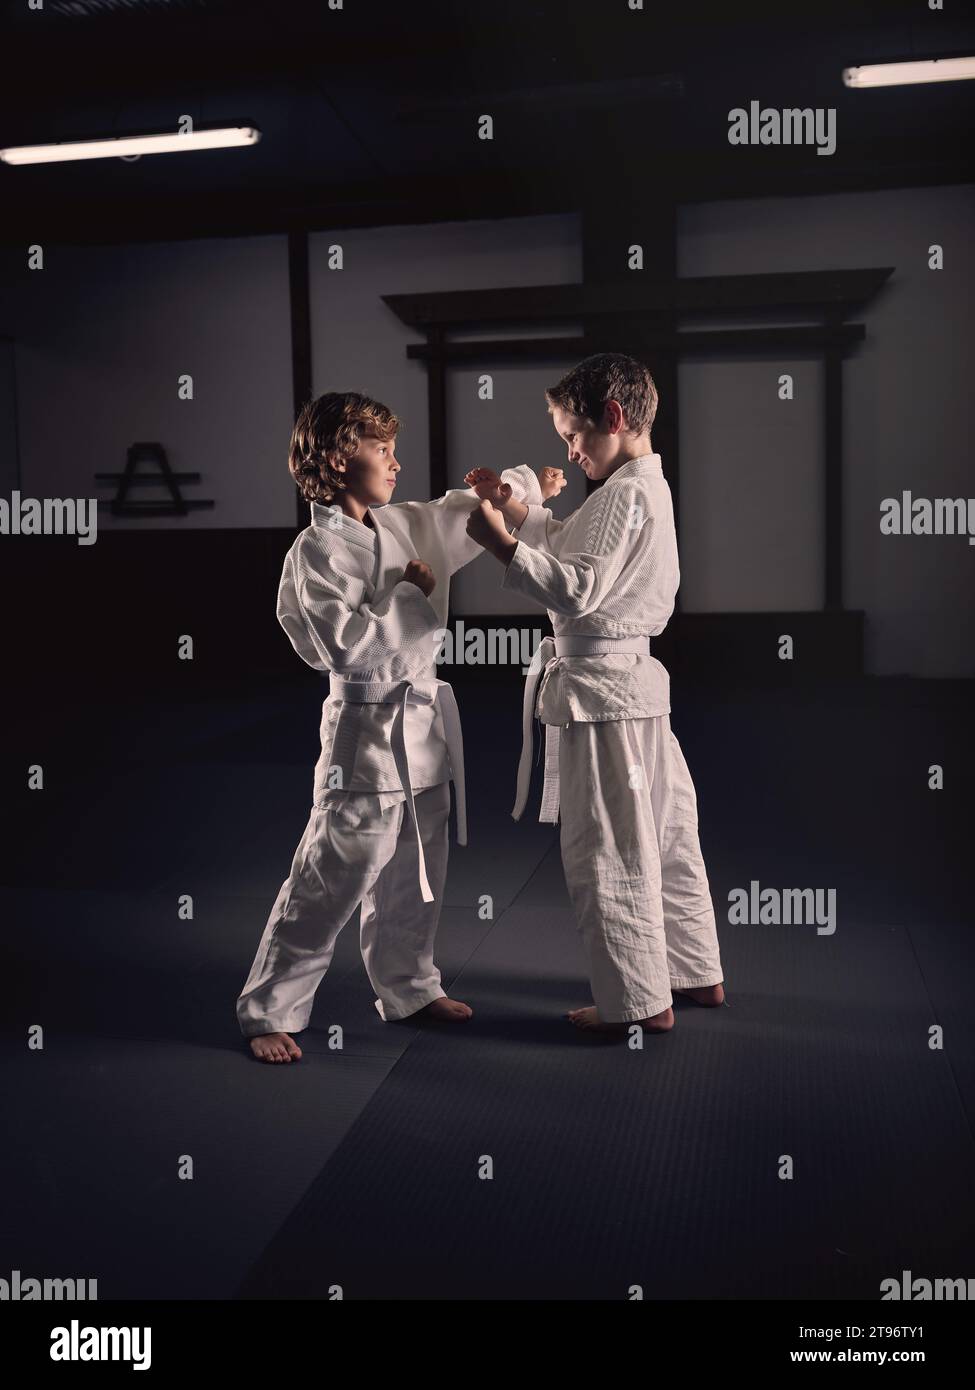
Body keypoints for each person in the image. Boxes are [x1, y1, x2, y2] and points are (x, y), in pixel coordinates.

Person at [237, 390, 557, 1061]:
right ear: (335, 456)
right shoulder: (317, 551)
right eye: (380, 450)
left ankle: (409, 986)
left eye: (391, 448)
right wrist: (407, 593)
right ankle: (270, 1008)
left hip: (421, 726)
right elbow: (344, 646)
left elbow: (451, 514)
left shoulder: (396, 524)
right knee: (334, 876)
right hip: (364, 728)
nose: (394, 462)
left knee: (417, 869)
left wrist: (518, 488)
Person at [464, 353, 726, 1034]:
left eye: (573, 434)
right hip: (633, 690)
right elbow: (568, 543)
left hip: (602, 697)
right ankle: (693, 972)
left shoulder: (624, 494)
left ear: (612, 418)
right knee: (667, 833)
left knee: (605, 844)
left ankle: (636, 1002)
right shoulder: (638, 489)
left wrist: (499, 547)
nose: (570, 449)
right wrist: (515, 510)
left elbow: (576, 586)